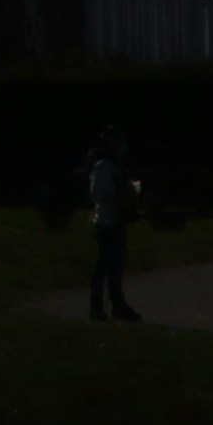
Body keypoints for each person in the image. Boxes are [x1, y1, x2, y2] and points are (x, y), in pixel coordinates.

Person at [82, 133, 142, 321]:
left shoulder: (114, 165)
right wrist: (122, 197)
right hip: (107, 223)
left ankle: (117, 306)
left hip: (116, 221)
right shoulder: (103, 166)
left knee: (115, 267)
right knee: (105, 266)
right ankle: (97, 307)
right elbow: (98, 194)